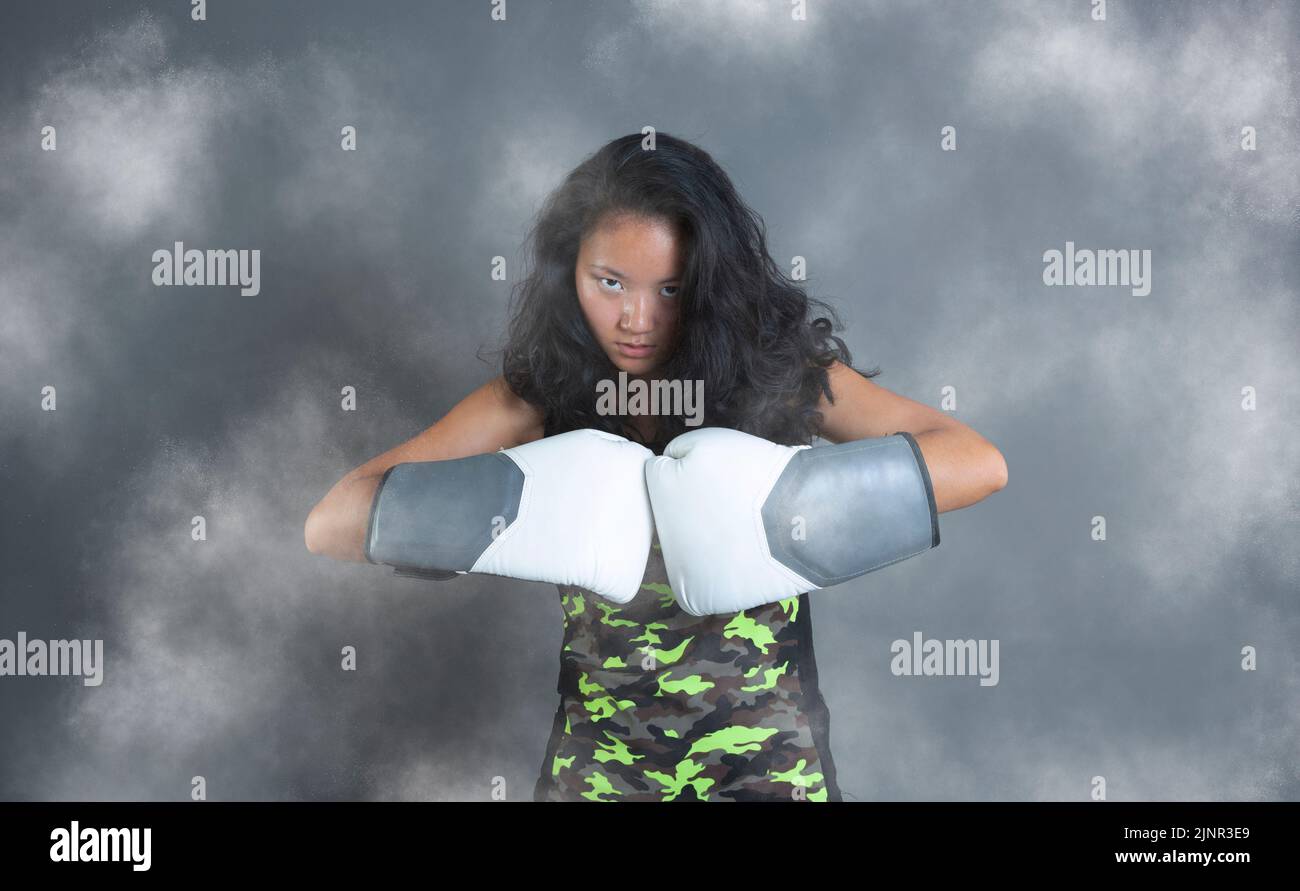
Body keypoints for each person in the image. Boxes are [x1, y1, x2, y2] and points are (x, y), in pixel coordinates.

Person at [304, 131, 1008, 801]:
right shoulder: (540, 394)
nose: (635, 318)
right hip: (598, 772)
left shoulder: (778, 375)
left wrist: (789, 504)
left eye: (669, 289)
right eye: (609, 282)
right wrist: (504, 508)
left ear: (707, 281)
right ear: (568, 271)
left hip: (769, 772)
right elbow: (332, 521)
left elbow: (977, 463)